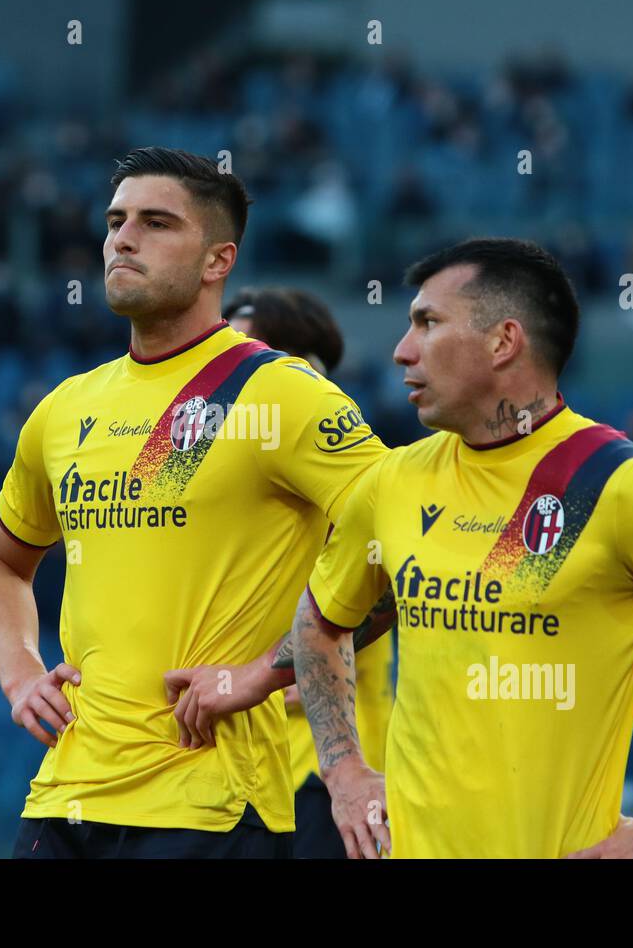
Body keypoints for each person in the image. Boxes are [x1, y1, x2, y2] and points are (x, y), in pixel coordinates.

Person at [290, 238, 633, 858]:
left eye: (428, 323)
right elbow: (319, 622)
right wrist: (343, 772)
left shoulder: (619, 485)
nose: (401, 350)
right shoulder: (392, 481)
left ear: (503, 342)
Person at [0, 148, 390, 858]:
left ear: (218, 260)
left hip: (209, 808)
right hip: (64, 798)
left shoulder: (280, 392)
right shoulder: (67, 408)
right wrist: (20, 673)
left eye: (156, 222)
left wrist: (263, 672)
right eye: (115, 221)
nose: (123, 239)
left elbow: (406, 544)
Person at [224, 287, 394, 858]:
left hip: (328, 782)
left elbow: (319, 661)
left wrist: (241, 676)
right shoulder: (245, 496)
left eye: (242, 347)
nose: (221, 361)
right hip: (248, 780)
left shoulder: (346, 487)